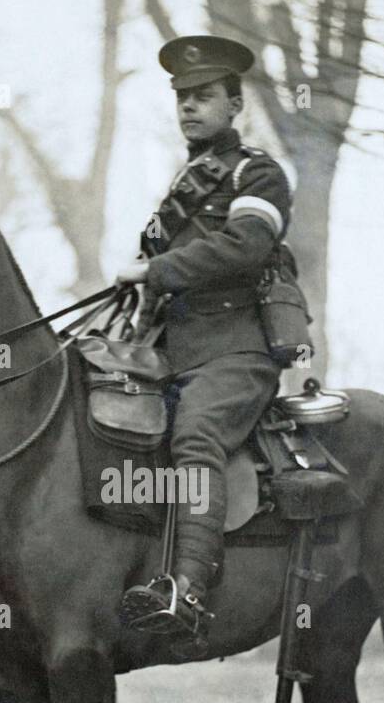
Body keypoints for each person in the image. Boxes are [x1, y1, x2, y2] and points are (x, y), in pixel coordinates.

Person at [116, 34, 294, 654]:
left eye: (204, 96)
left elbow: (246, 247)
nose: (190, 107)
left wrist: (155, 271)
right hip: (172, 354)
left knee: (196, 434)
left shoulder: (257, 174)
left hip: (236, 354)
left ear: (234, 103)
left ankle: (185, 590)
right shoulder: (182, 188)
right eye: (182, 97)